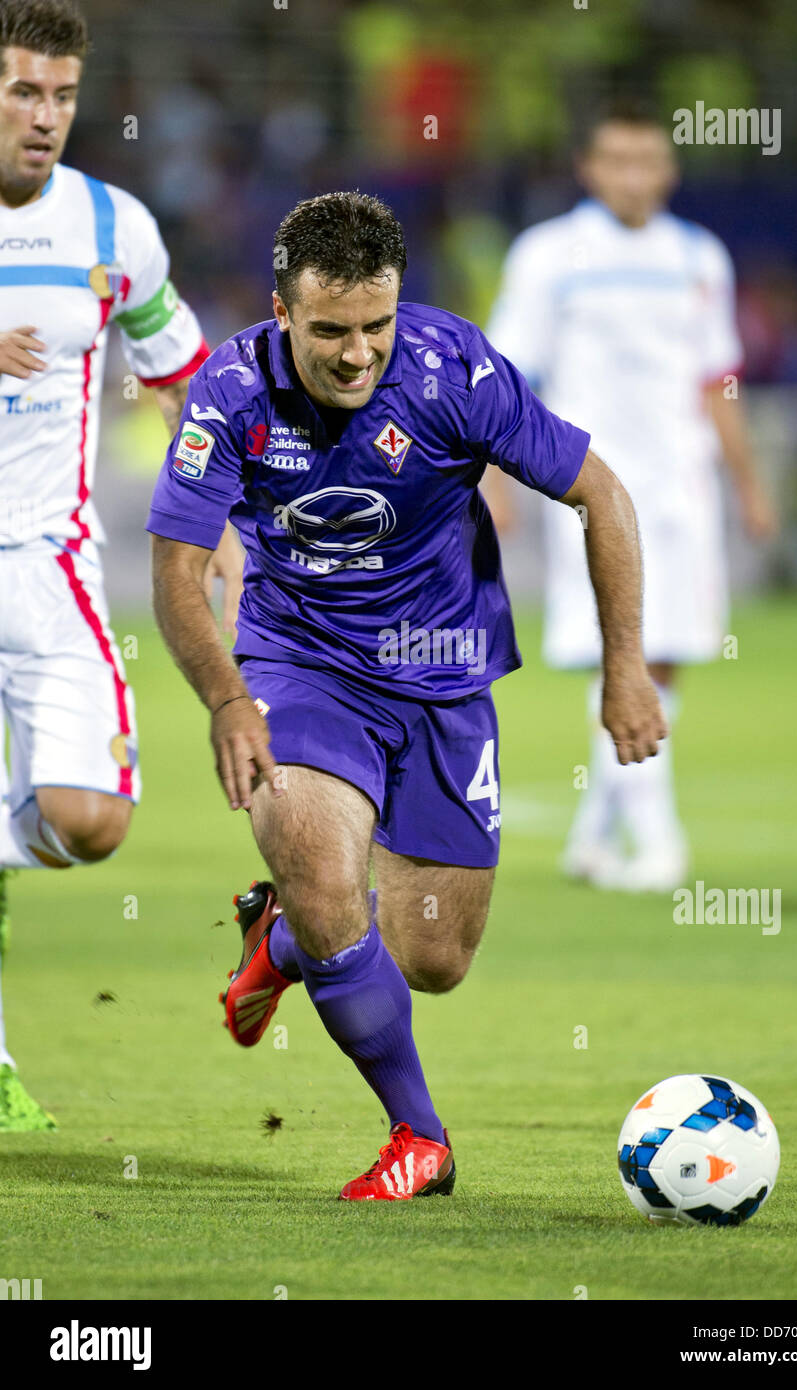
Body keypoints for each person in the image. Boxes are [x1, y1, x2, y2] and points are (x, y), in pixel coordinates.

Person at [147, 189, 666, 1201]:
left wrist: (625, 665)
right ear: (281, 309)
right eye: (329, 330)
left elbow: (600, 493)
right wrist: (225, 699)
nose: (355, 354)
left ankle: (285, 933)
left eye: (374, 326)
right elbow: (175, 570)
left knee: (434, 953)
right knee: (313, 849)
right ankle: (418, 1137)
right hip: (301, 663)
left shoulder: (454, 371)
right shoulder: (228, 394)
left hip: (445, 672)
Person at [0, 0, 241, 1130]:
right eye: (20, 92)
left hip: (51, 565)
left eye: (59, 96)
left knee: (91, 820)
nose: (43, 117)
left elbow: (183, 377)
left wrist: (228, 517)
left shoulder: (112, 226)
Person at [486, 101, 777, 892]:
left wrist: (747, 483)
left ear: (669, 169)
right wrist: (492, 482)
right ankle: (657, 841)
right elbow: (507, 382)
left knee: (668, 653)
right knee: (619, 651)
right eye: (617, 160)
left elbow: (716, 381)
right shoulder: (549, 254)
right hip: (585, 484)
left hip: (681, 486)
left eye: (648, 161)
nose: (634, 176)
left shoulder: (698, 257)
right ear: (588, 167)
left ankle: (592, 835)